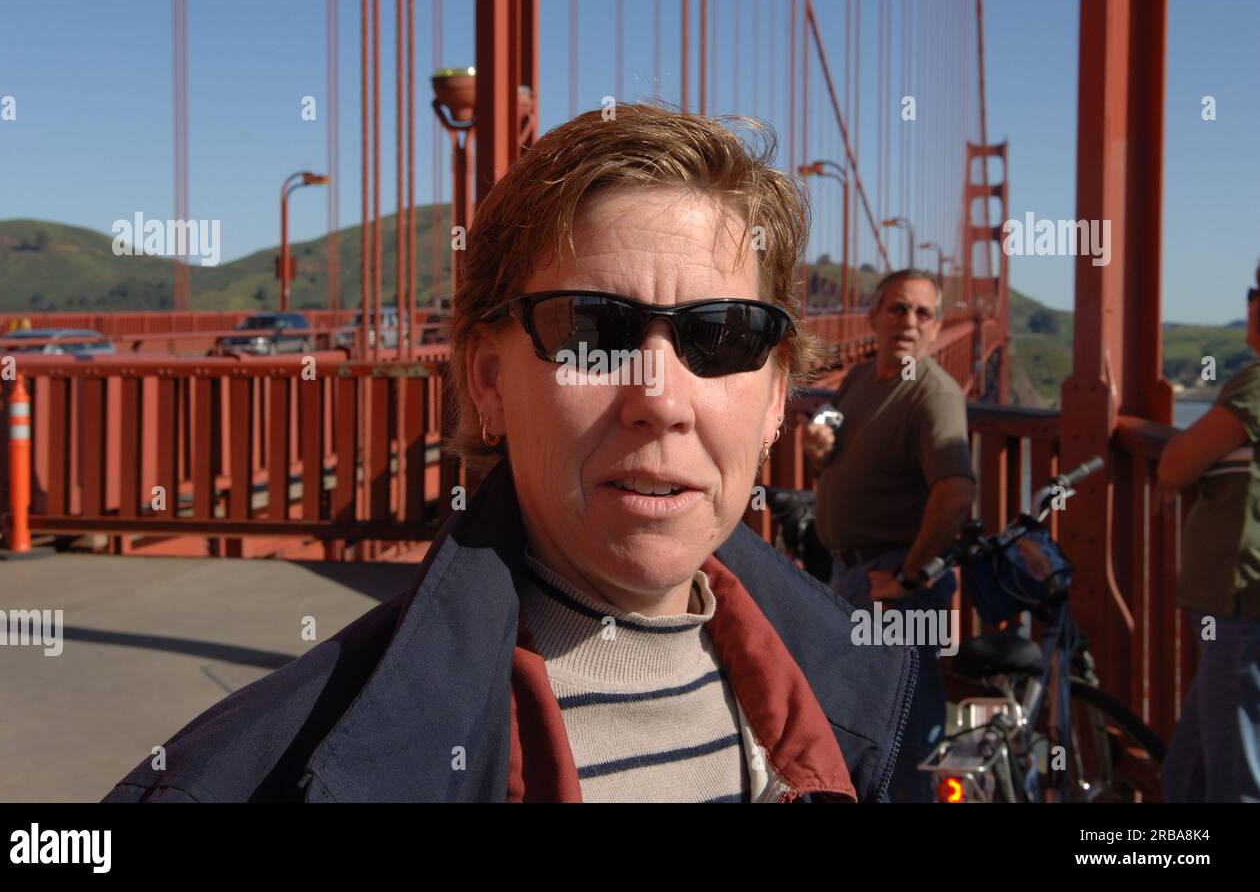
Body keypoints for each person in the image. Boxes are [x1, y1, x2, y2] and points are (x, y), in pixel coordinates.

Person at [102, 103, 916, 803]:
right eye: (593, 331)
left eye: (723, 335)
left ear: (776, 396)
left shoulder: (885, 705)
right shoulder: (244, 776)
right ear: (488, 381)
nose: (660, 399)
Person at [798, 268, 976, 802]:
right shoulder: (859, 379)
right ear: (874, 316)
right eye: (897, 308)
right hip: (850, 576)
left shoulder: (934, 395)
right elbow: (833, 415)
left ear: (938, 325)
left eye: (923, 313)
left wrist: (910, 574)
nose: (909, 321)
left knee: (897, 738)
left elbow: (955, 494)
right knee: (856, 727)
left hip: (891, 588)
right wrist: (820, 437)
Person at [1158, 266, 1260, 803]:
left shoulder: (1257, 384)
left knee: (1233, 782)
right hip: (1234, 607)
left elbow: (1175, 466)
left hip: (1240, 605)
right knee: (1189, 773)